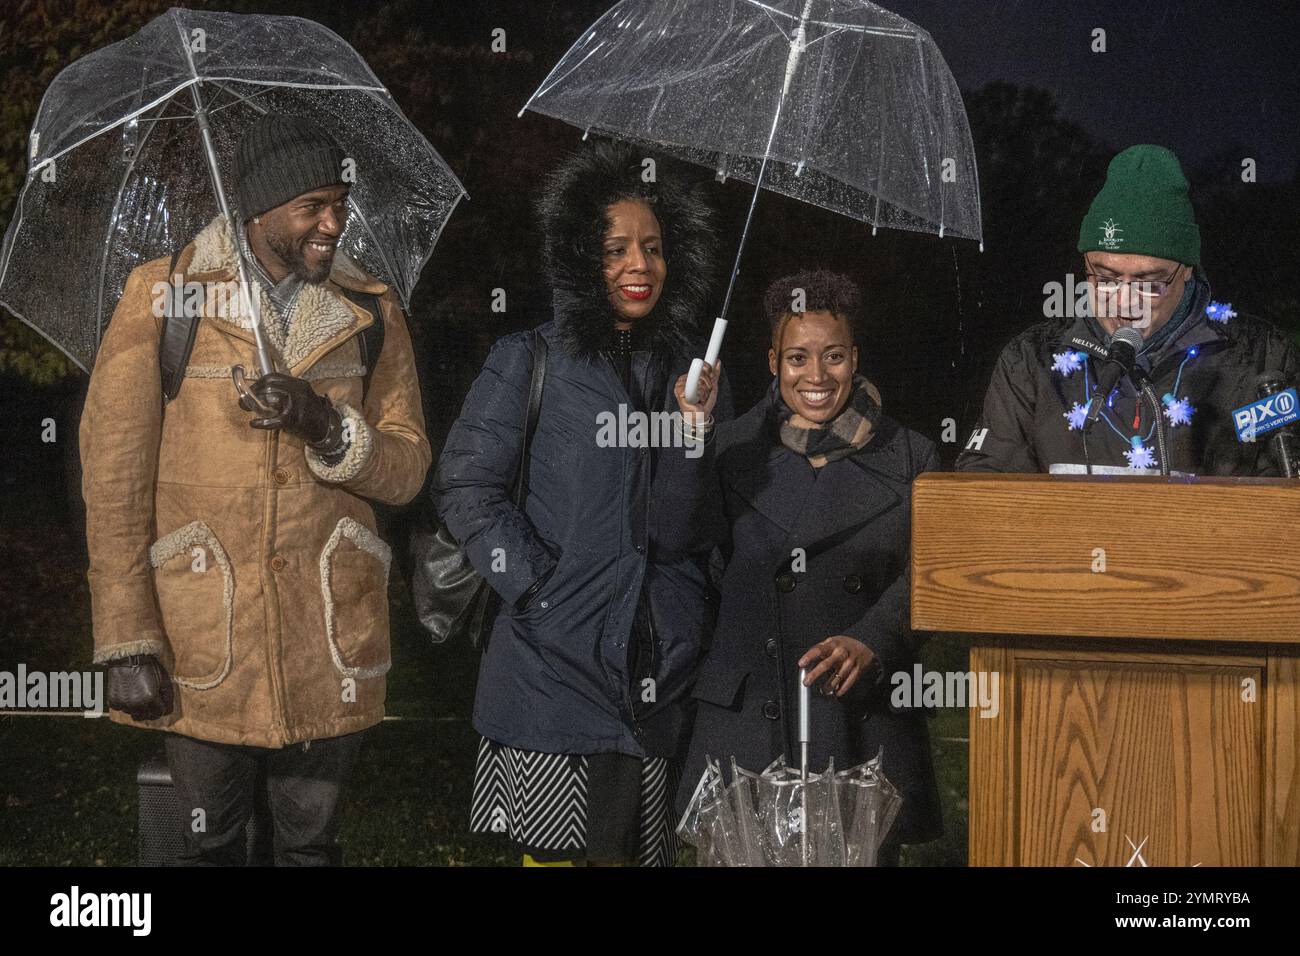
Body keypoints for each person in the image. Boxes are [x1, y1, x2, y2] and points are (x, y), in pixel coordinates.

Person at [81, 114, 431, 865]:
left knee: (312, 848)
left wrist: (328, 428)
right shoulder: (163, 297)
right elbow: (113, 484)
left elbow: (407, 470)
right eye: (312, 206)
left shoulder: (370, 309)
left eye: (339, 201)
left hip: (330, 638)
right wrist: (125, 640)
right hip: (202, 639)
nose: (334, 223)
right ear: (259, 210)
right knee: (206, 848)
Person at [433, 141, 727, 866]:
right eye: (617, 248)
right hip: (549, 672)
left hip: (654, 672)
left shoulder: (688, 375)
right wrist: (535, 584)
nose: (640, 265)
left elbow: (686, 528)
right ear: (579, 258)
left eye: (655, 248)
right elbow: (465, 487)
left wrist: (693, 436)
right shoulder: (527, 358)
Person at [662, 269, 943, 864]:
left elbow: (934, 576)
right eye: (797, 358)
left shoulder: (912, 456)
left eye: (833, 356)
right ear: (772, 361)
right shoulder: (731, 447)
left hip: (857, 723)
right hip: (747, 726)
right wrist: (691, 429)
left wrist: (874, 640)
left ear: (855, 357)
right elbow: (676, 536)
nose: (816, 377)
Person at [957, 144, 1298, 475]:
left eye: (1149, 283)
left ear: (1188, 270)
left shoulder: (1265, 360)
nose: (1124, 303)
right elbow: (979, 500)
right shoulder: (1030, 362)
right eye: (1105, 278)